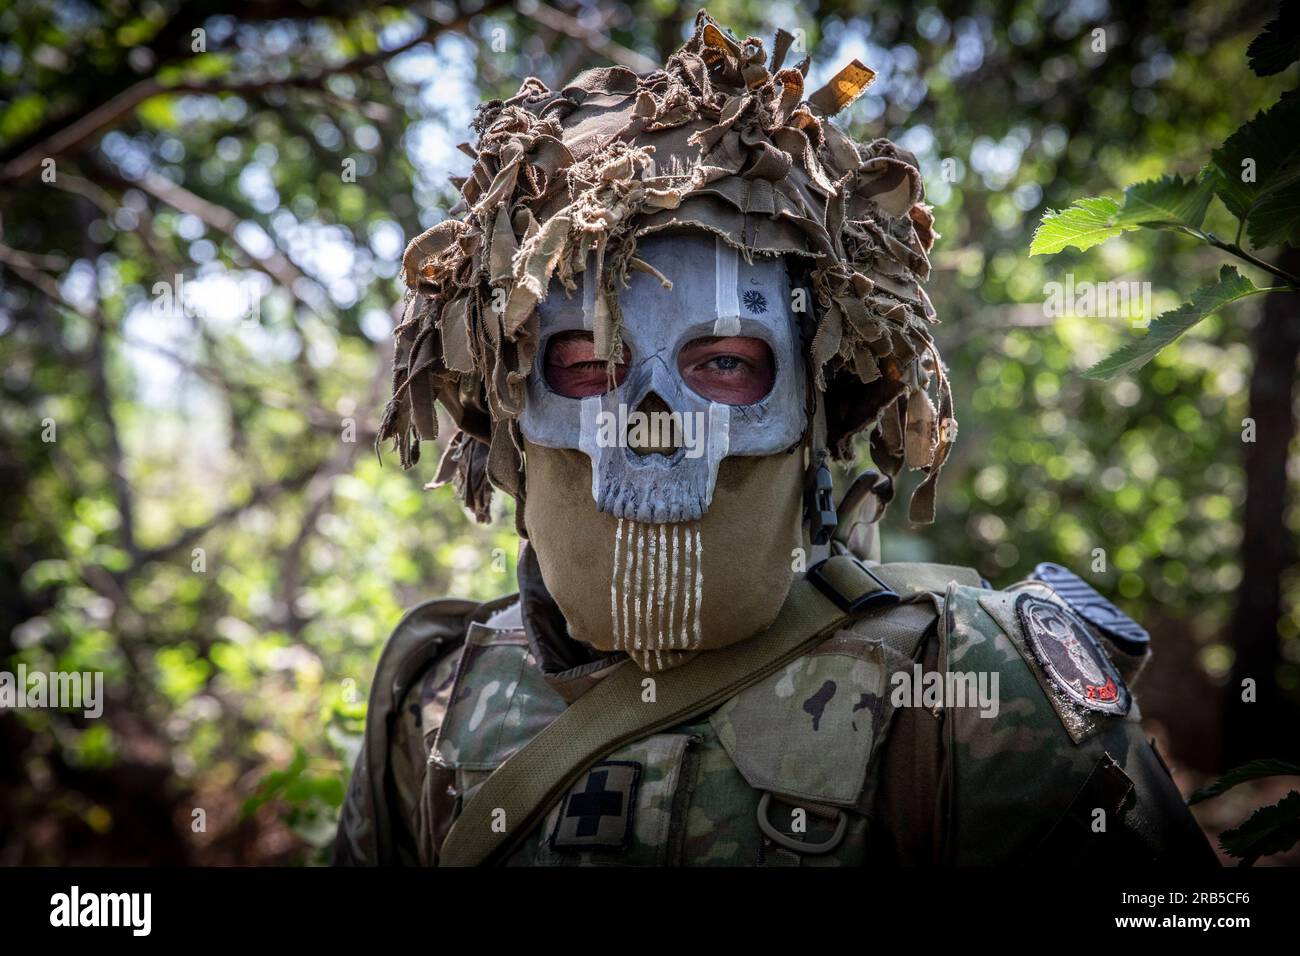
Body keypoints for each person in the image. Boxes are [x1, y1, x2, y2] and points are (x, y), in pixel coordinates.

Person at [333, 11, 1216, 867]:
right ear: (509, 404)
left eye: (723, 363)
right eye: (592, 364)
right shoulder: (438, 699)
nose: (651, 422)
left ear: (810, 405)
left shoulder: (975, 691)